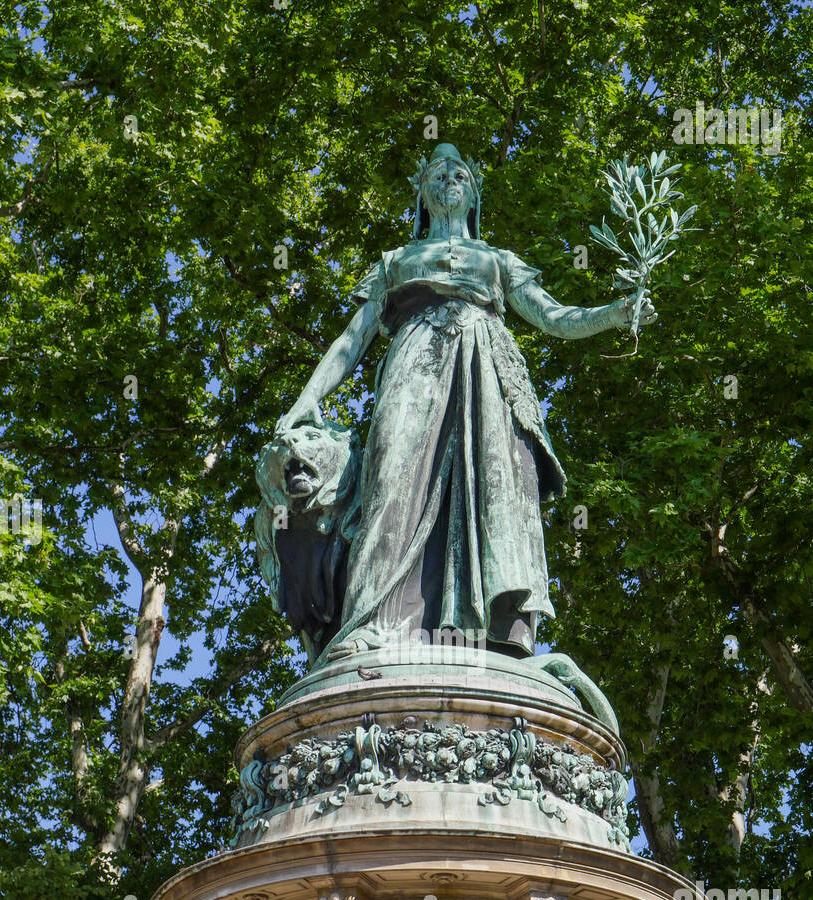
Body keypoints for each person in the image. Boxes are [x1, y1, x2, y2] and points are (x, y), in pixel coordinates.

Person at [277, 143, 656, 662]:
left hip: (487, 369)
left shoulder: (496, 261)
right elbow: (352, 340)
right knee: (390, 482)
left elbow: (554, 317)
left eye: (461, 172)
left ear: (474, 193)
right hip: (413, 363)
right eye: (438, 171)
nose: (451, 177)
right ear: (422, 195)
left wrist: (613, 313)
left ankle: (495, 631)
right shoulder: (396, 261)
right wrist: (304, 401)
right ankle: (369, 624)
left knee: (495, 491)